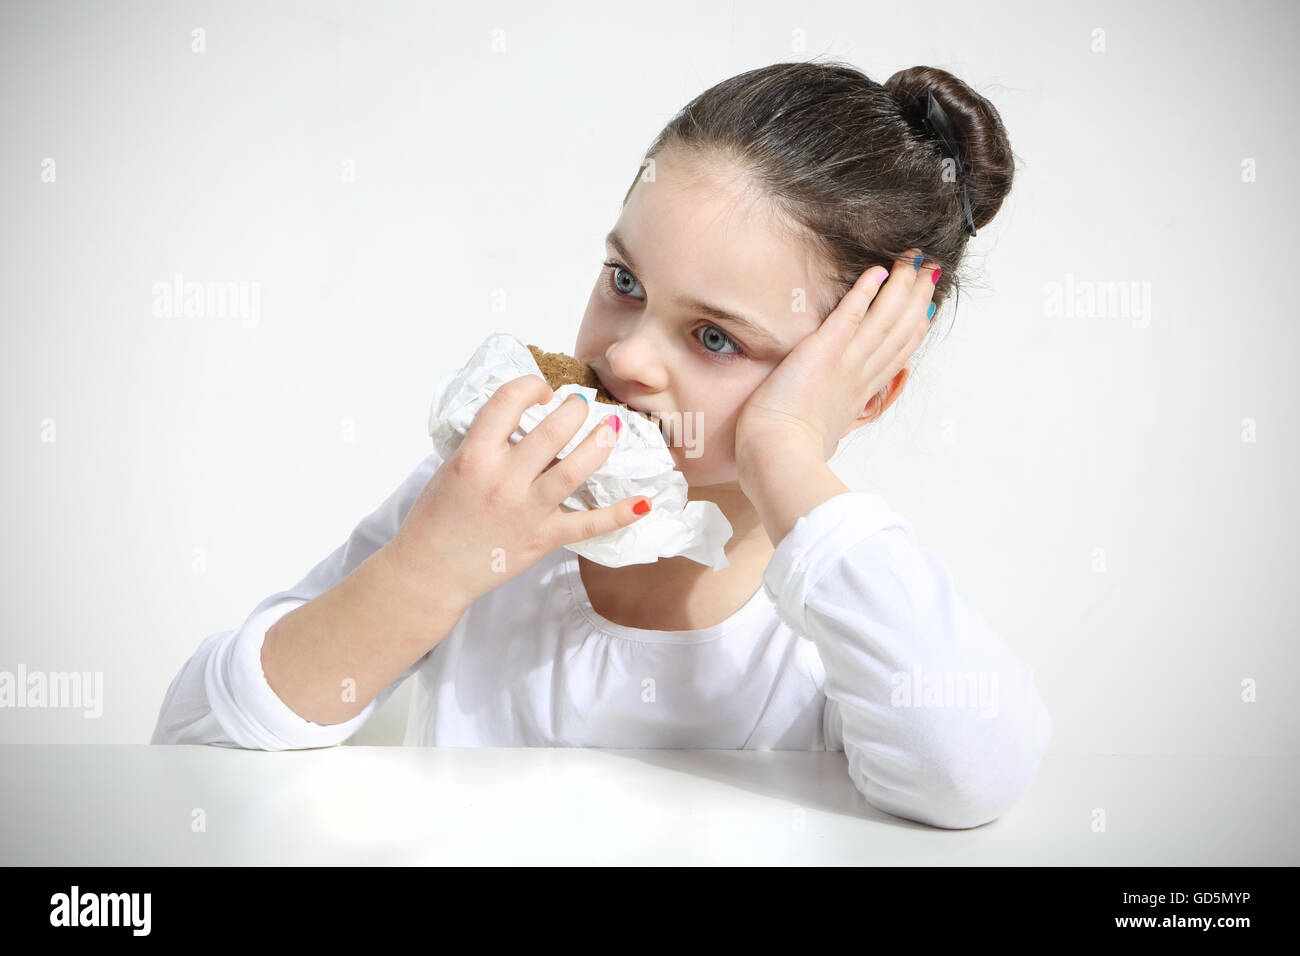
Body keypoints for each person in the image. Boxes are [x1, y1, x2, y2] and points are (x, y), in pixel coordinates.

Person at [152, 60, 1051, 831]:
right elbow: (201, 738)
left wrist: (783, 446)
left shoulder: (848, 614)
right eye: (625, 281)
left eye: (713, 338)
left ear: (860, 390)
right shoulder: (490, 493)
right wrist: (433, 566)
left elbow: (973, 774)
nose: (622, 357)